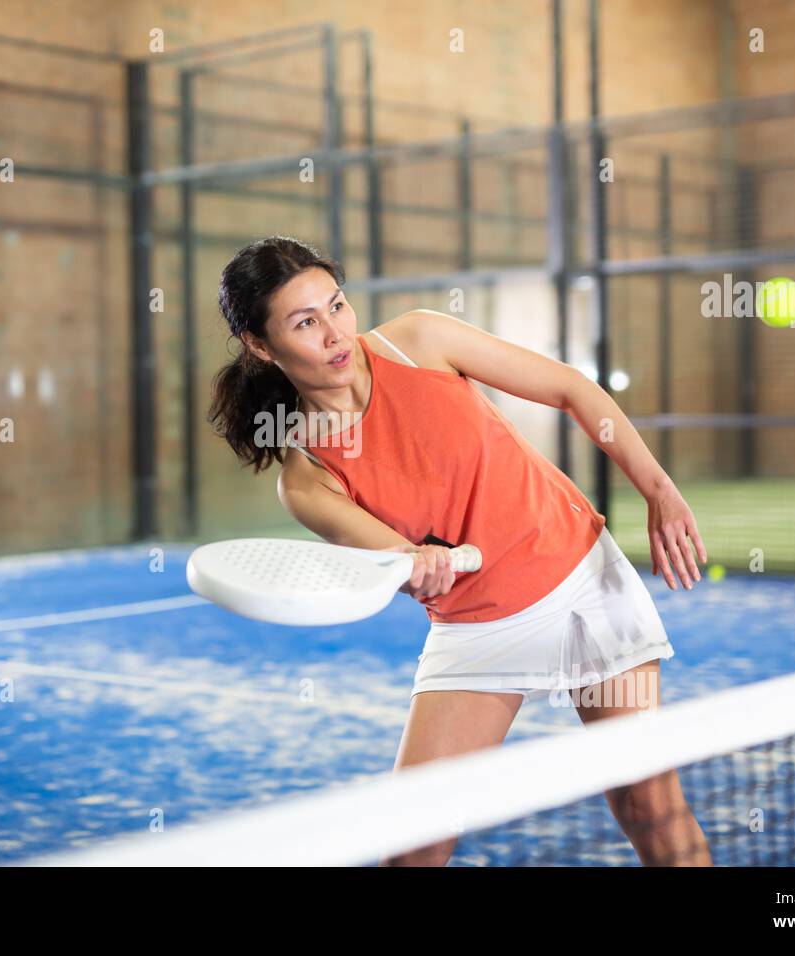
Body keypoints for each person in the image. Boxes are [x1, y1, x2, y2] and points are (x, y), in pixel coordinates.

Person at [208, 236, 711, 866]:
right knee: (412, 847)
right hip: (477, 629)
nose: (335, 334)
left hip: (585, 580)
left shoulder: (419, 339)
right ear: (260, 344)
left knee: (650, 806)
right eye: (305, 323)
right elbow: (402, 559)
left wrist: (659, 490)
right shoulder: (307, 479)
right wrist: (420, 567)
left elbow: (571, 390)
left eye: (337, 306)